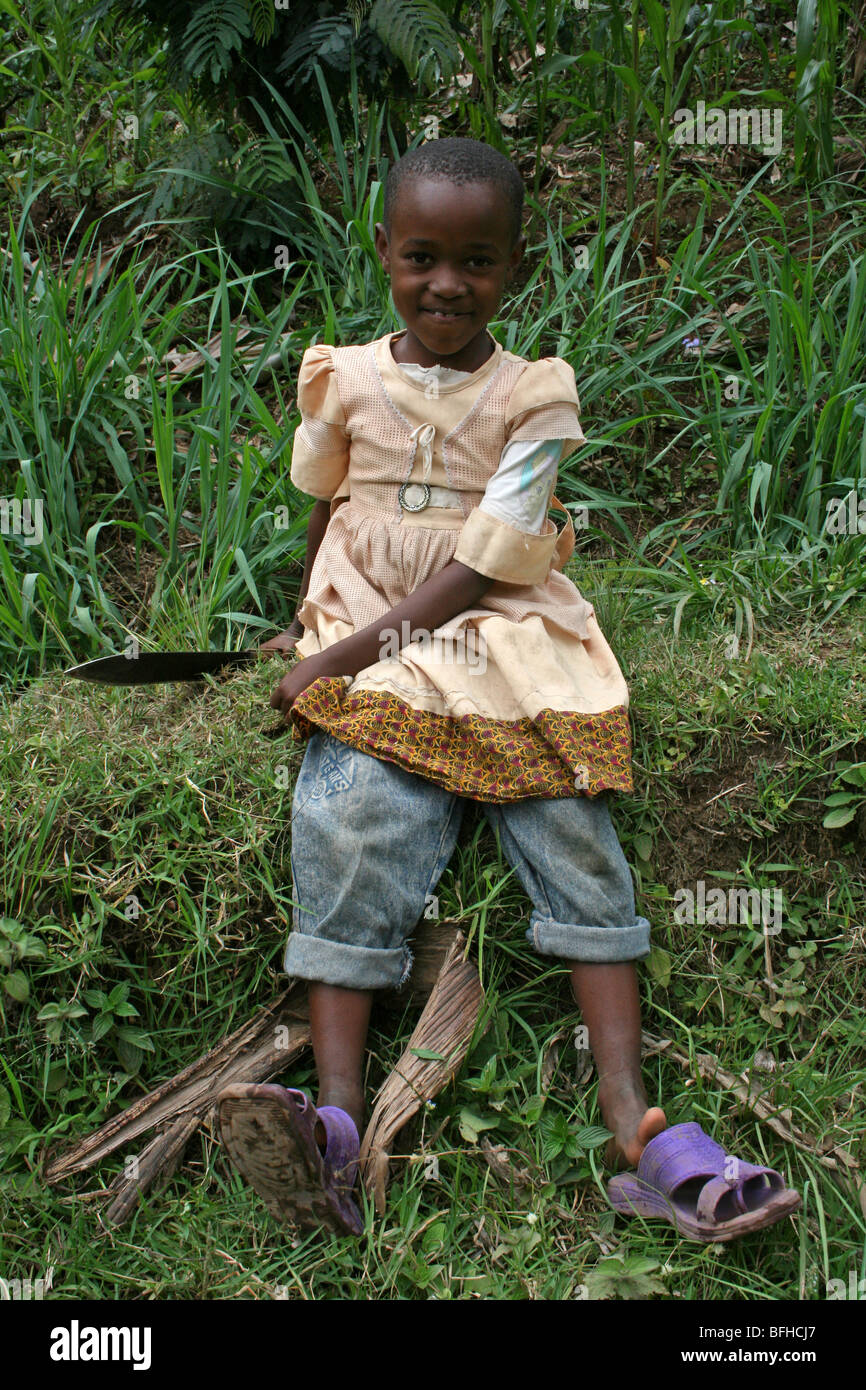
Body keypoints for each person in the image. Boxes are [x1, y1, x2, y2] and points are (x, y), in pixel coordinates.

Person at [217, 138, 800, 1243]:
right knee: (347, 810)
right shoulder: (341, 374)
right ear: (383, 249)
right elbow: (325, 508)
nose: (447, 283)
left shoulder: (533, 394)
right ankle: (337, 1120)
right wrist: (304, 622)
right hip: (366, 616)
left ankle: (633, 1121)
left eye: (476, 262)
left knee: (568, 817)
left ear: (514, 267)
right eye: (422, 256)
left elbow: (489, 558)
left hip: (494, 617)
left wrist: (340, 660)